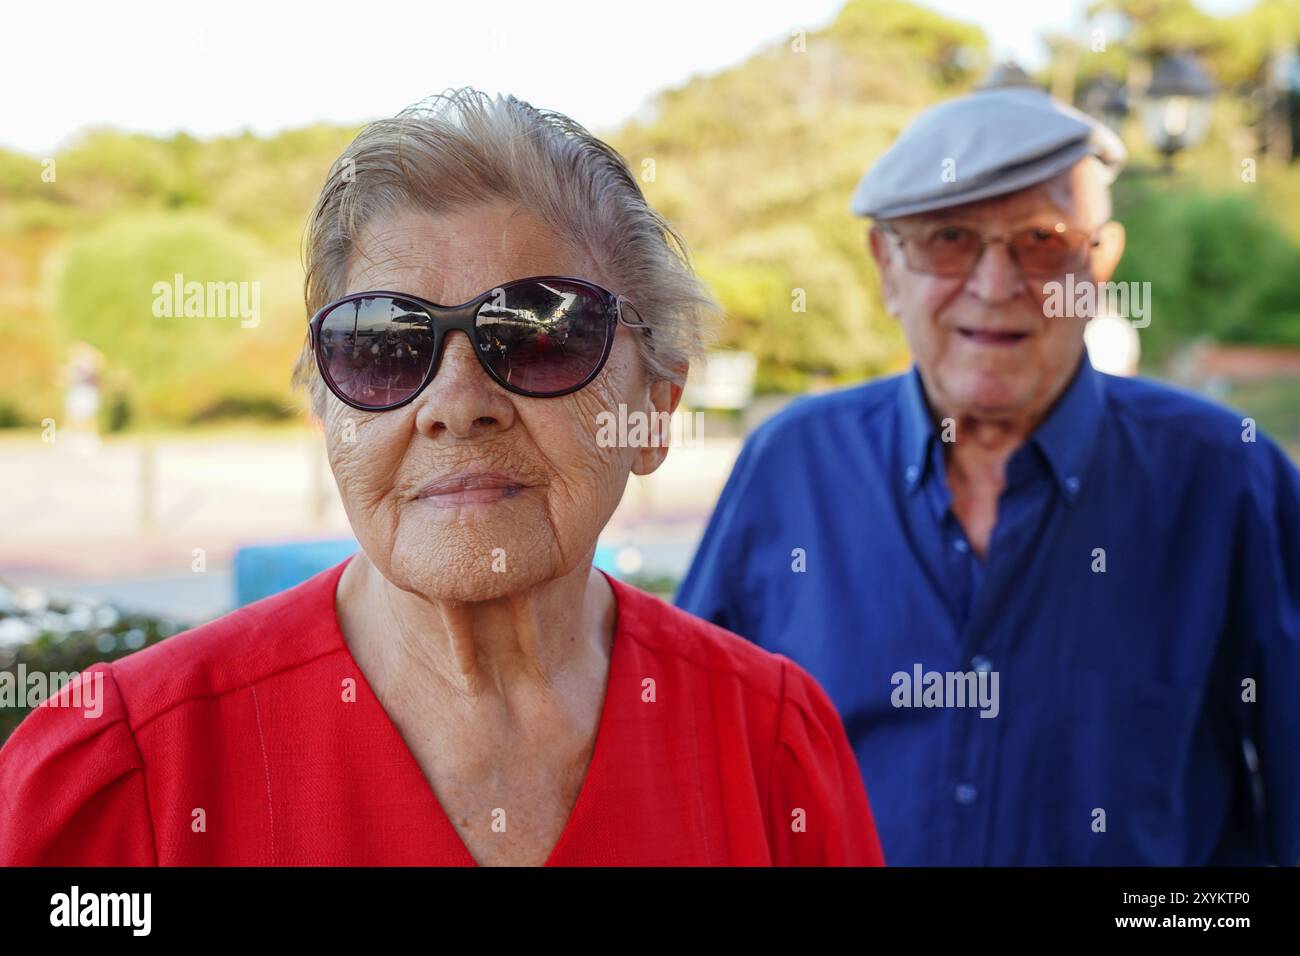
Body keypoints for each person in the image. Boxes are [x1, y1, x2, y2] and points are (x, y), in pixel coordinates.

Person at [0, 90, 884, 867]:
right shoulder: (133, 767)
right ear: (328, 412)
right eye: (382, 346)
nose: (456, 404)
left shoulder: (768, 742)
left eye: (541, 334)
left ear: (654, 410)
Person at [677, 87, 1300, 866]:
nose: (996, 283)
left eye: (1042, 240)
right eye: (949, 239)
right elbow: (692, 751)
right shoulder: (790, 467)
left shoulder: (1226, 476)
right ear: (887, 266)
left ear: (1099, 263)